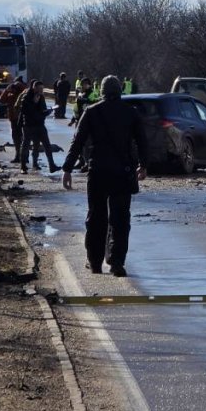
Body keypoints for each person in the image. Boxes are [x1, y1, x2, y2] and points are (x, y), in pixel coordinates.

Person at [62, 75, 148, 276]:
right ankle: (116, 262)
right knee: (120, 218)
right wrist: (143, 166)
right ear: (120, 91)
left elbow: (78, 142)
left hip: (98, 171)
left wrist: (67, 168)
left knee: (96, 217)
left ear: (101, 92)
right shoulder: (130, 113)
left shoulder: (92, 112)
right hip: (122, 172)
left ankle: (94, 262)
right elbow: (142, 142)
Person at [17, 80, 60, 173]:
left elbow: (42, 110)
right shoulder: (26, 97)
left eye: (42, 88)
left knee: (46, 145)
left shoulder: (41, 97)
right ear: (34, 88)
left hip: (40, 125)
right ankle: (23, 167)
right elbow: (26, 111)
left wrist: (48, 111)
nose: (41, 90)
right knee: (25, 145)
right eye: (39, 88)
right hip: (28, 126)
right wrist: (34, 103)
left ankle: (50, 165)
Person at [0, 76, 29, 163]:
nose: (16, 86)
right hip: (13, 118)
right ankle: (17, 156)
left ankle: (24, 156)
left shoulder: (25, 92)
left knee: (24, 138)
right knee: (16, 138)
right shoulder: (11, 91)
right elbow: (1, 100)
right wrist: (7, 90)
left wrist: (20, 87)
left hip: (23, 118)